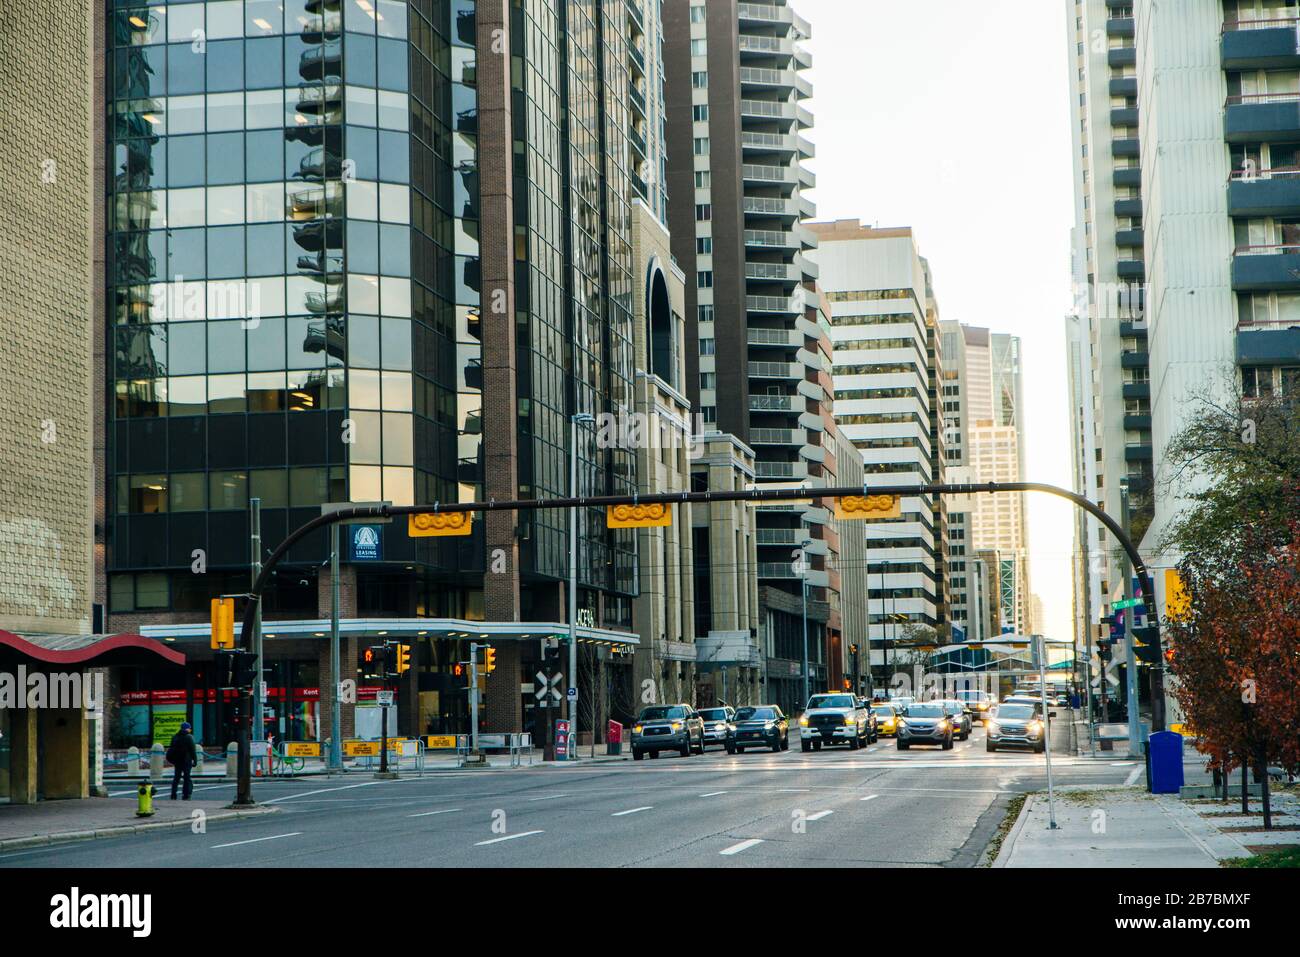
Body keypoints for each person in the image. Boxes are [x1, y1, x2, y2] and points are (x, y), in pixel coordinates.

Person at [167, 722, 198, 800]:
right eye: (189, 728)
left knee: (176, 778)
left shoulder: (175, 737)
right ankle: (186, 795)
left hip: (177, 760)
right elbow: (192, 750)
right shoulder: (189, 737)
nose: (190, 729)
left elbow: (171, 748)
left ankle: (173, 794)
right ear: (187, 728)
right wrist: (195, 760)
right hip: (186, 761)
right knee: (187, 778)